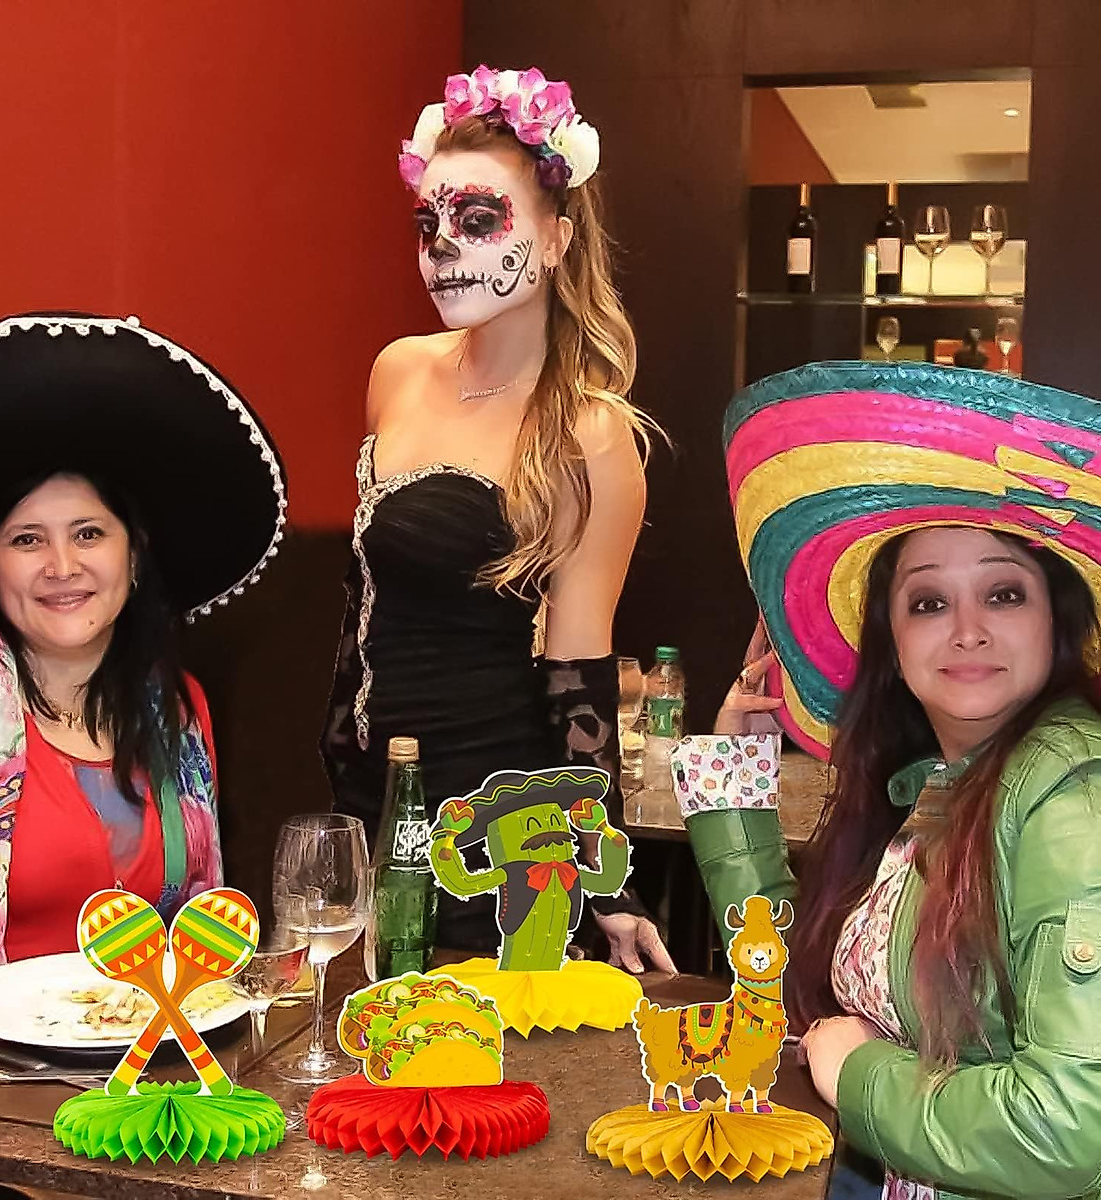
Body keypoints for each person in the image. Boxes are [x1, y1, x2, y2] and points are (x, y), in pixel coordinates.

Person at [682, 360, 1101, 1199]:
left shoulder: (1070, 793)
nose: (968, 631)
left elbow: (1071, 1128)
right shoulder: (936, 787)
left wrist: (860, 1077)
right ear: (894, 644)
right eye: (929, 603)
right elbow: (803, 995)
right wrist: (735, 787)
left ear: (1057, 621)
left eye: (1004, 594)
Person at [321, 65, 673, 973]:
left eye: (479, 220)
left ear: (555, 239)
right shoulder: (398, 371)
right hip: (372, 805)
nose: (444, 247)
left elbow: (578, 680)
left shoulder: (591, 433)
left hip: (498, 830)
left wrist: (607, 883)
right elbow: (365, 611)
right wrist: (346, 787)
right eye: (428, 224)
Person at [0, 312, 286, 1039]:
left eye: (88, 533)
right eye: (27, 540)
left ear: (132, 557)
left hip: (153, 1064)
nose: (63, 566)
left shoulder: (179, 707)